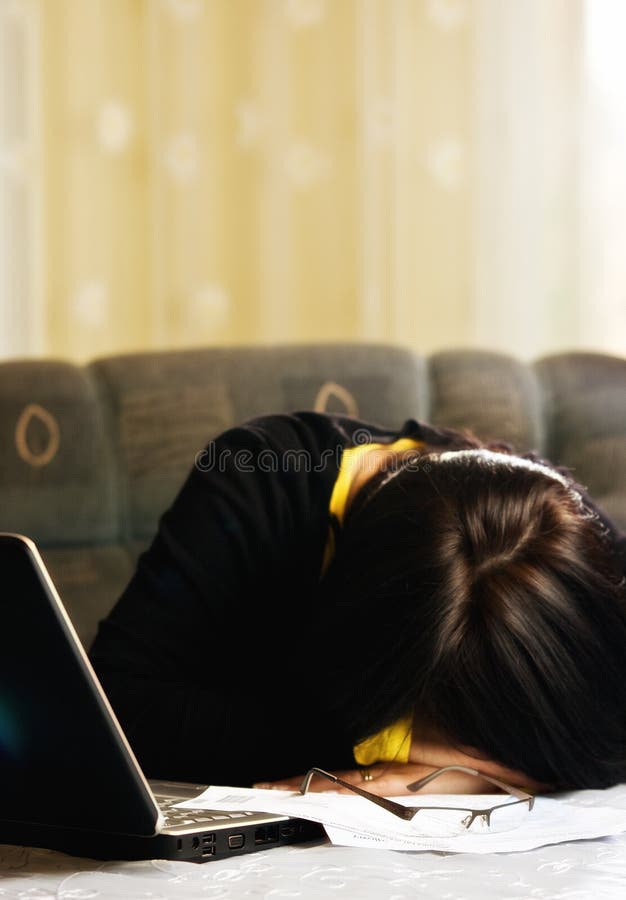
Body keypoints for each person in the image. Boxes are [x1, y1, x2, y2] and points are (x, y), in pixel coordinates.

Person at [88, 410, 626, 799]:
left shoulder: (573, 546)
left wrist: (471, 773)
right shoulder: (259, 478)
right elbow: (114, 711)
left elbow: (600, 734)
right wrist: (375, 745)